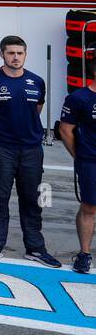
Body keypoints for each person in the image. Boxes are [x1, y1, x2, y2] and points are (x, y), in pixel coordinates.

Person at [0, 36, 59, 266]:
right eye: (10, 53)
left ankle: (35, 248)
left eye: (20, 53)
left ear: (25, 55)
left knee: (32, 198)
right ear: (1, 54)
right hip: (1, 148)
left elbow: (36, 109)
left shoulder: (37, 81)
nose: (15, 57)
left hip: (31, 149)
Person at [59, 60, 96, 274]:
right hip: (90, 161)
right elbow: (65, 130)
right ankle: (84, 254)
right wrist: (79, 156)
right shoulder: (78, 98)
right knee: (89, 207)